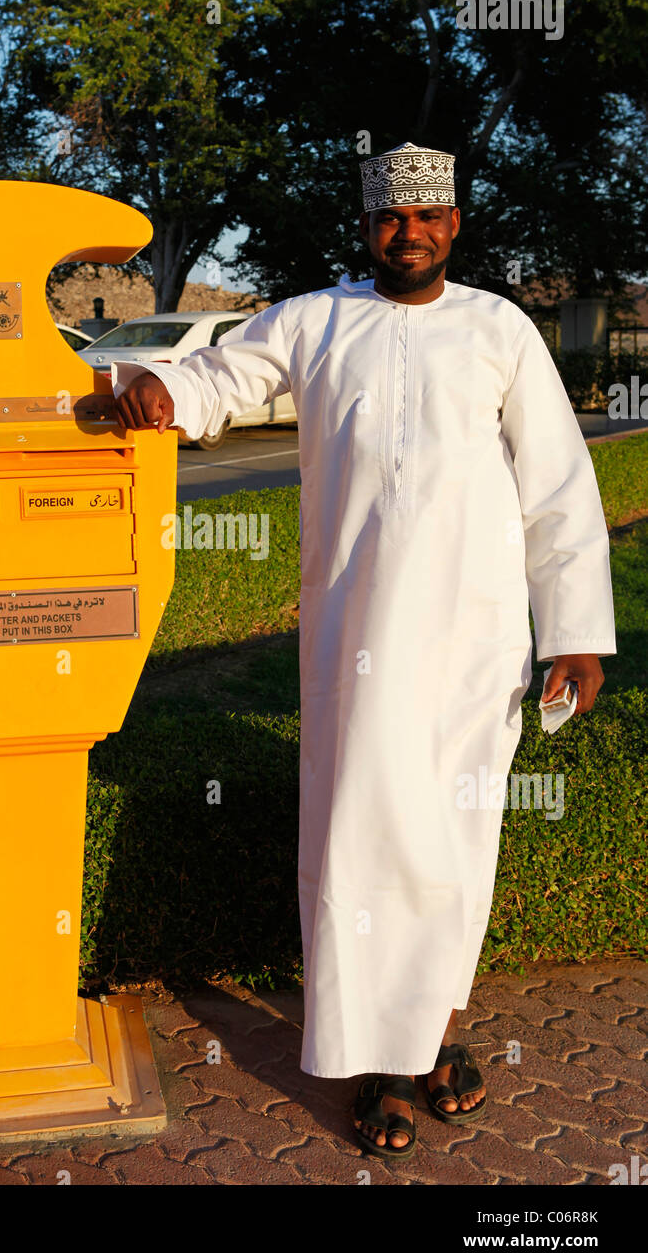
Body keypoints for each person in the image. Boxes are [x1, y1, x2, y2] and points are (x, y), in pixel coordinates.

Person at [111, 141, 616, 1160]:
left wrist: (572, 631)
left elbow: (558, 488)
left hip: (474, 640)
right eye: (391, 218)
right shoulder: (314, 320)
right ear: (367, 227)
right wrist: (159, 393)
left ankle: (430, 1040)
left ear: (454, 225)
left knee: (451, 845)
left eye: (427, 217)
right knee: (359, 842)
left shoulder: (497, 331)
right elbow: (218, 374)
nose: (409, 232)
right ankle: (382, 1064)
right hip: (354, 640)